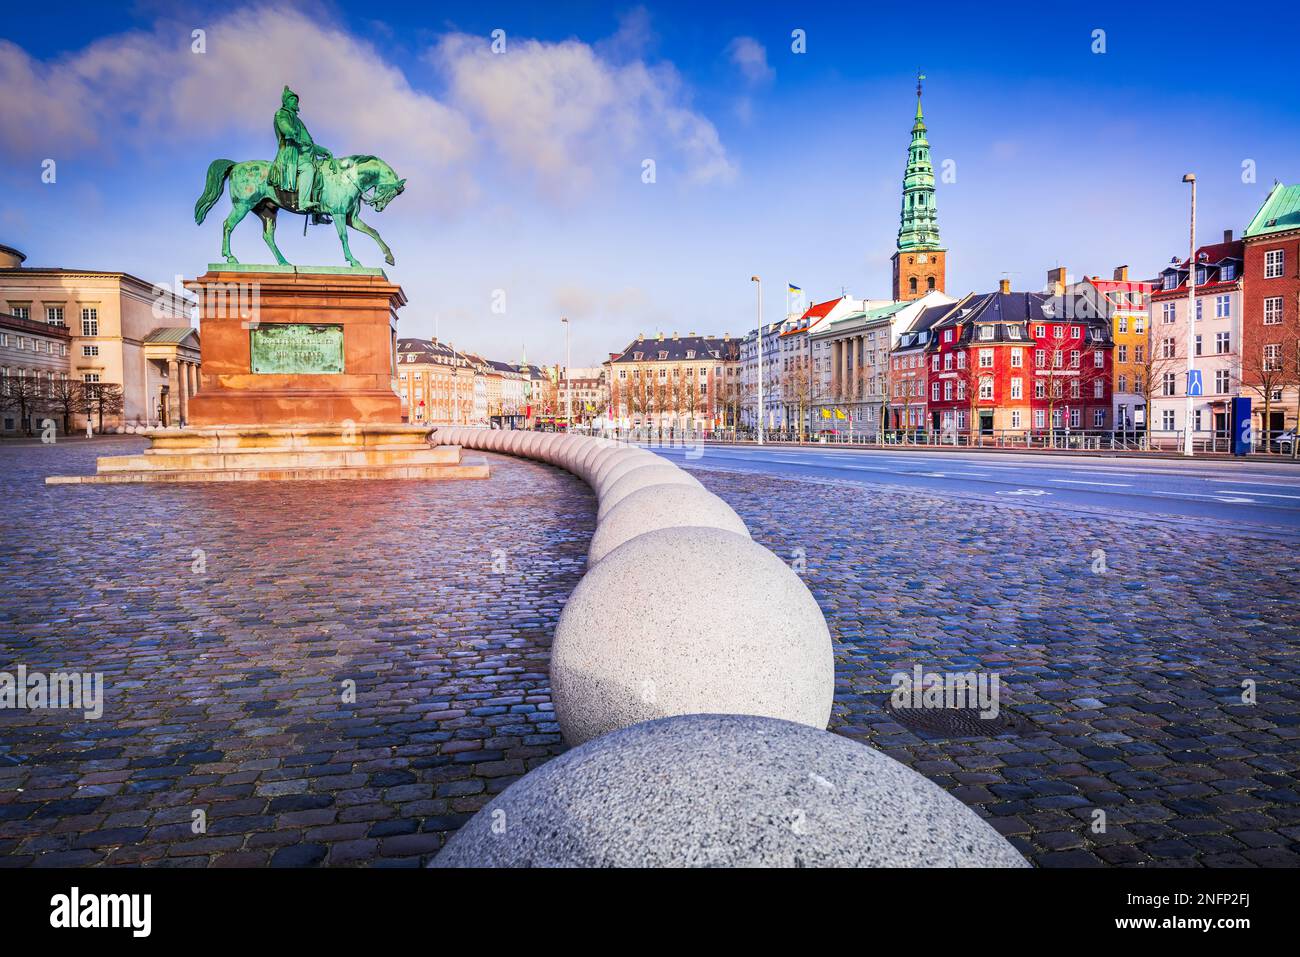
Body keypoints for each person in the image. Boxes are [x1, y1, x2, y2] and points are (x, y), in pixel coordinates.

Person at [269, 86, 332, 214]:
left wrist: (323, 151)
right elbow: (284, 127)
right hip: (292, 153)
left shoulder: (298, 120)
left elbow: (309, 143)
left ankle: (317, 213)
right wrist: (292, 132)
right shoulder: (282, 113)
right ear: (285, 102)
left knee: (320, 172)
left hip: (304, 154)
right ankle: (303, 202)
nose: (295, 101)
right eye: (292, 99)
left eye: (296, 99)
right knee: (308, 168)